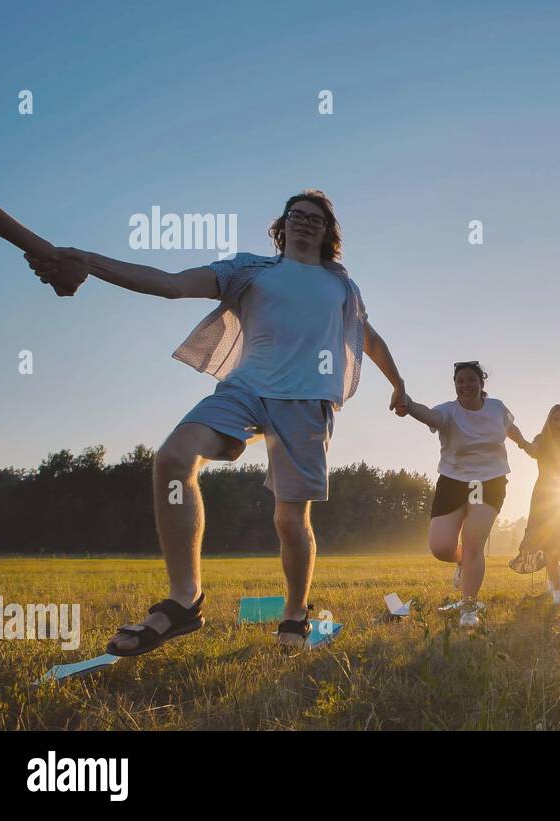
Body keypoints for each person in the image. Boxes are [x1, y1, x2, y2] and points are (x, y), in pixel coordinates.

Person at [24, 190, 409, 651]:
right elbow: (169, 283)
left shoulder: (341, 288)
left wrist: (399, 385)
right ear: (282, 226)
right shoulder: (248, 270)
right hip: (245, 390)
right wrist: (89, 261)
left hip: (306, 404)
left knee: (290, 520)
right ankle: (185, 601)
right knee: (173, 458)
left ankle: (293, 614)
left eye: (317, 219)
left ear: (329, 233)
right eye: (297, 216)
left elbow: (369, 339)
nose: (306, 223)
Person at [398, 362, 532, 627]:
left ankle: (469, 608)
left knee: (473, 542)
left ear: (481, 383)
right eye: (460, 381)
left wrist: (525, 444)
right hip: (453, 481)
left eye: (471, 380)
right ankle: (464, 563)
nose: (465, 385)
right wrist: (409, 405)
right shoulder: (448, 412)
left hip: (490, 482)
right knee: (441, 547)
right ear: (455, 385)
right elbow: (430, 417)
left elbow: (509, 428)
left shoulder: (496, 408)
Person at [514, 404, 560, 605]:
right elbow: (534, 450)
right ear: (549, 420)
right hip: (545, 492)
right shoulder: (541, 439)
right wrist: (523, 443)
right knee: (549, 541)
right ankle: (557, 591)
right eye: (555, 419)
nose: (559, 423)